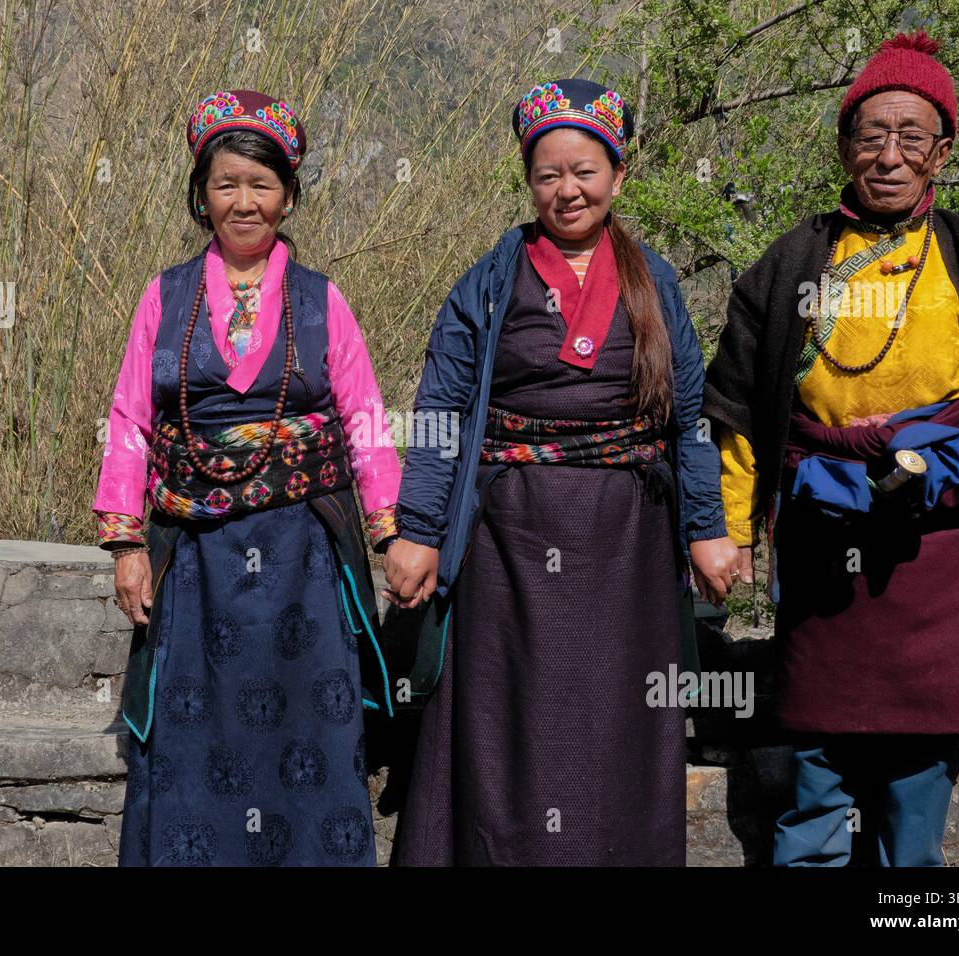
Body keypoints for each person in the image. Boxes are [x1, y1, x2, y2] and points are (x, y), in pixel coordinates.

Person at [703, 32, 959, 866]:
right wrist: (731, 528)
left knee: (919, 771)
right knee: (815, 768)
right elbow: (742, 411)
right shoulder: (794, 260)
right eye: (871, 136)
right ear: (843, 147)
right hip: (824, 550)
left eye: (910, 137)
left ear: (943, 152)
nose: (888, 157)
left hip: (941, 552)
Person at [385, 78, 739, 866]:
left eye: (584, 171)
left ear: (617, 176)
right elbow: (441, 406)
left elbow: (688, 415)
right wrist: (418, 529)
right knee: (510, 718)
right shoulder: (490, 278)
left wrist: (708, 530)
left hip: (627, 540)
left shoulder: (658, 283)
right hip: (512, 534)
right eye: (549, 175)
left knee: (613, 723)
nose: (567, 190)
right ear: (528, 181)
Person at [93, 89, 403, 866]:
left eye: (261, 186)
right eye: (227, 184)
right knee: (195, 741)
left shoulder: (322, 300)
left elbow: (363, 418)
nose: (244, 202)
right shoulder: (163, 299)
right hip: (194, 561)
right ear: (202, 195)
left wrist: (393, 529)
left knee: (308, 739)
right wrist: (126, 544)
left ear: (289, 195)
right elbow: (131, 419)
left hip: (303, 556)